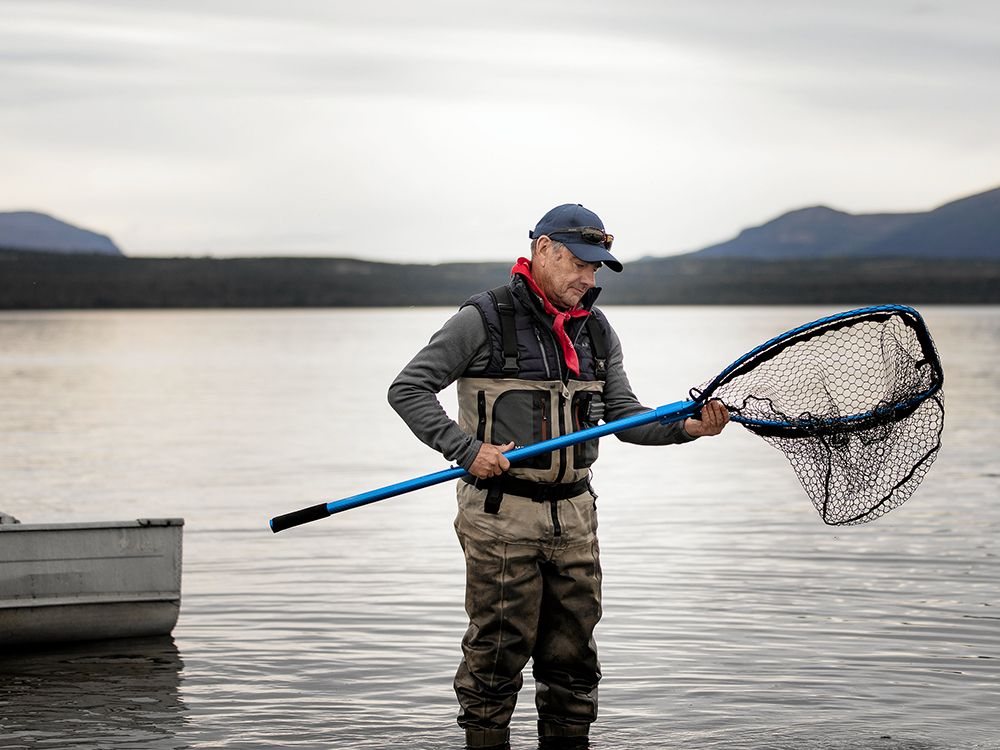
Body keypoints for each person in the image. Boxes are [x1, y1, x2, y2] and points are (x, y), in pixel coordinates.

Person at [388, 203, 729, 749]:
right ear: (543, 250)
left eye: (597, 269)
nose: (589, 280)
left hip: (576, 517)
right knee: (495, 661)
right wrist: (465, 449)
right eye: (580, 265)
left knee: (574, 664)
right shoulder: (481, 319)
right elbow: (407, 390)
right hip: (501, 515)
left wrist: (688, 428)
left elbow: (626, 420)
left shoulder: (597, 330)